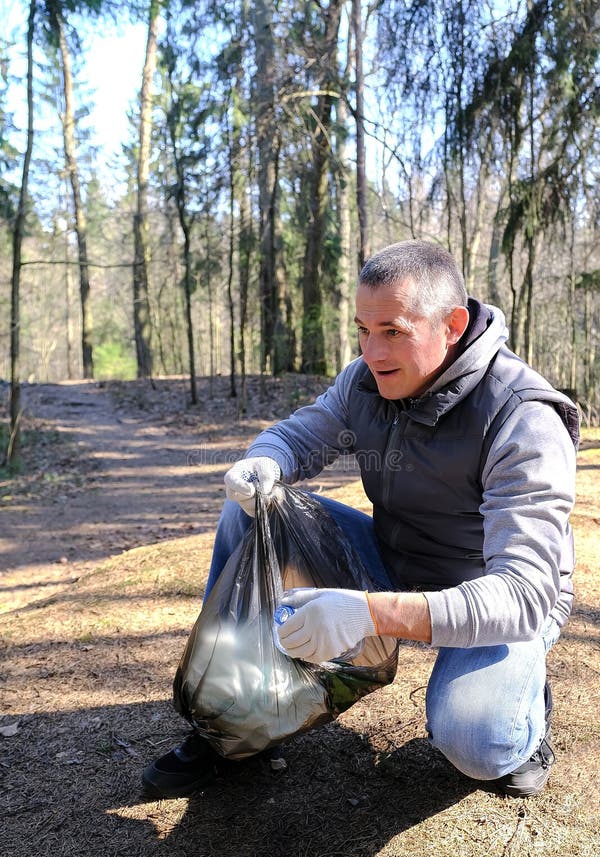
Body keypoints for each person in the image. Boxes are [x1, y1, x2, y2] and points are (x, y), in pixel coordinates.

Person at [142, 239, 579, 800]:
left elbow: (521, 596)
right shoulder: (366, 379)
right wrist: (263, 460)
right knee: (253, 507)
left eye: (393, 331)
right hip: (394, 556)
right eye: (363, 330)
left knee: (478, 741)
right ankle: (237, 719)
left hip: (494, 592)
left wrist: (368, 613)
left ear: (452, 324)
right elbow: (303, 432)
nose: (372, 352)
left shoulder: (523, 418)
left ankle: (526, 719)